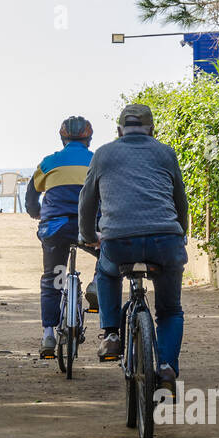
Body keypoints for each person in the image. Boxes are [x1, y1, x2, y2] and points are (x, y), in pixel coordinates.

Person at [78, 104, 188, 391]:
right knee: (170, 310)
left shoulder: (103, 154)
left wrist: (90, 235)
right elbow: (180, 202)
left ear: (118, 131)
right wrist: (182, 234)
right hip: (166, 241)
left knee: (106, 271)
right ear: (152, 130)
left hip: (119, 242)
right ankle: (166, 369)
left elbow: (87, 202)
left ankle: (111, 334)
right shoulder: (166, 152)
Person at [25, 116, 99, 357]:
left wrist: (36, 213)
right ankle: (97, 284)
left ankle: (48, 334)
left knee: (52, 279)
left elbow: (31, 194)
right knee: (109, 255)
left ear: (62, 138)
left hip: (55, 228)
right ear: (88, 139)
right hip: (88, 228)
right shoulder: (97, 161)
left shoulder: (49, 162)